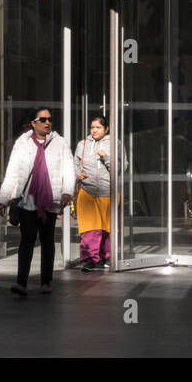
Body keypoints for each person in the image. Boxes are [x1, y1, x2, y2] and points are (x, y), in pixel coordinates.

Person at [0, 107, 74, 296]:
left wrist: (67, 192)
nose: (48, 122)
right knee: (27, 241)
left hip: (50, 200)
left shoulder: (60, 143)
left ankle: (46, 282)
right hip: (27, 201)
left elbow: (68, 170)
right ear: (33, 123)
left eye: (50, 119)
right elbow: (13, 172)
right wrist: (3, 198)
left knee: (47, 242)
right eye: (43, 119)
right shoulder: (22, 143)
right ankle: (21, 283)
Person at [73, 114, 117, 272]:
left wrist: (105, 157)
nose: (94, 130)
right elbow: (75, 164)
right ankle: (89, 259)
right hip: (87, 190)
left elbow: (120, 168)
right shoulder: (82, 144)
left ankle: (106, 257)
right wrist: (77, 173)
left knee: (107, 228)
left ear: (106, 129)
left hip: (108, 191)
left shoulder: (114, 143)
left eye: (98, 127)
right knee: (90, 228)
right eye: (92, 127)